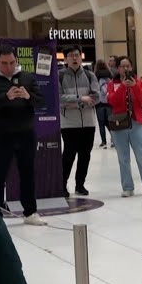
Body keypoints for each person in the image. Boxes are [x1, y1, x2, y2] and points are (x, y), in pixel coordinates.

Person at [0, 46, 48, 226]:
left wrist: (28, 96)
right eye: (4, 63)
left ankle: (31, 212)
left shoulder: (26, 77)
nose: (9, 67)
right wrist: (5, 97)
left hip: (26, 134)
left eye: (12, 63)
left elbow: (41, 101)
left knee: (27, 174)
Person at [106, 56, 142, 197]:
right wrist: (123, 86)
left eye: (128, 66)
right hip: (119, 124)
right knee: (123, 158)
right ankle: (127, 187)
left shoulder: (140, 82)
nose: (125, 69)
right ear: (118, 69)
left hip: (136, 123)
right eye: (122, 66)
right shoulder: (112, 84)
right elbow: (112, 100)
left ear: (131, 67)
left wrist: (134, 86)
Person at [58, 45, 100, 196]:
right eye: (71, 55)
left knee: (85, 155)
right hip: (68, 123)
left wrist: (74, 104)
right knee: (68, 155)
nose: (74, 58)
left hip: (88, 122)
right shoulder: (59, 76)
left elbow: (96, 97)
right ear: (66, 58)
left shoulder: (90, 75)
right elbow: (59, 98)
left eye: (77, 55)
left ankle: (80, 185)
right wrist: (81, 99)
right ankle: (62, 185)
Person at [94, 58, 114, 150]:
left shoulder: (95, 76)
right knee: (110, 122)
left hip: (99, 103)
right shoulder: (110, 75)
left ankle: (103, 141)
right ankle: (113, 139)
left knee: (101, 123)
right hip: (109, 101)